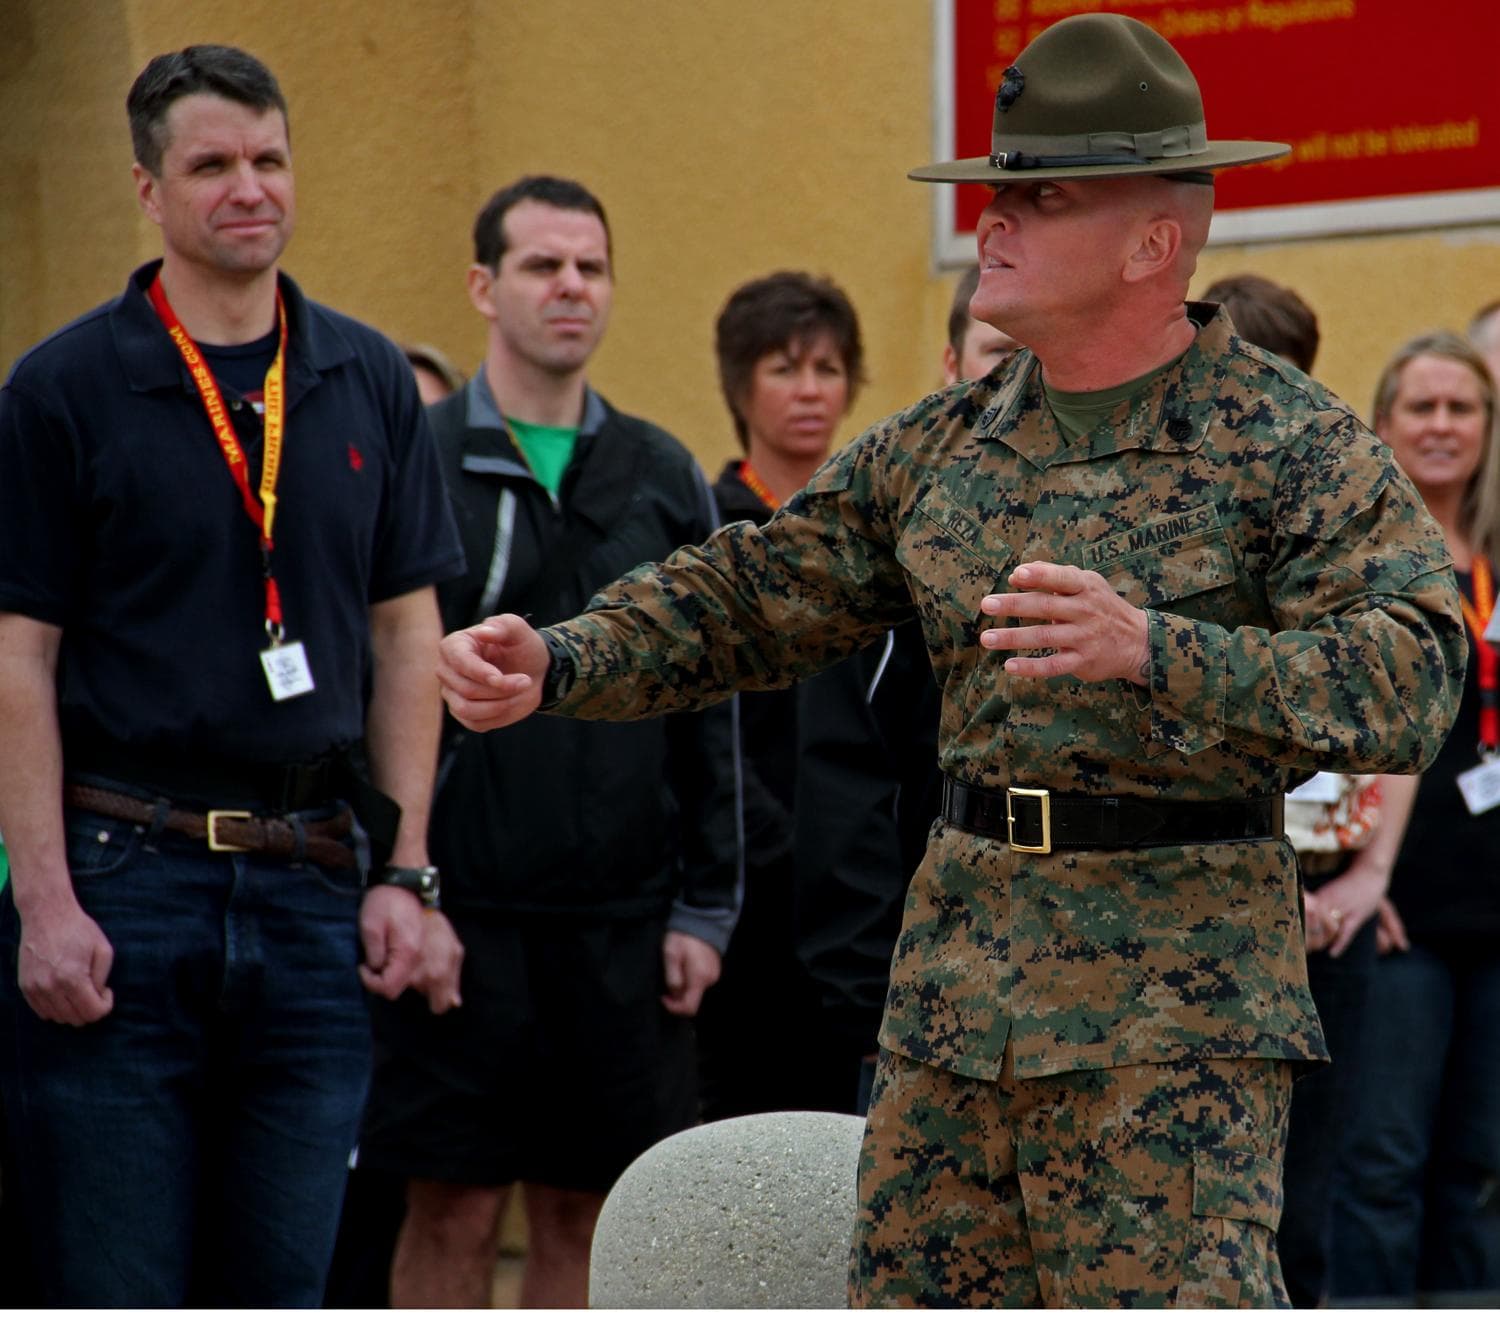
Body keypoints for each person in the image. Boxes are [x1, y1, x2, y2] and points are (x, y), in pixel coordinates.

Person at [435, 13, 1467, 1308]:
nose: (993, 224)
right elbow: (763, 588)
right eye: (992, 194)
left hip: (1172, 1024)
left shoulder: (1283, 442)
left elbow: (1418, 671)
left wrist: (1161, 650)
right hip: (956, 1001)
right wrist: (562, 654)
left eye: (1038, 199)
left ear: (1153, 241)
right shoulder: (949, 441)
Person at [0, 44, 464, 1308]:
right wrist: (43, 901)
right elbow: (16, 660)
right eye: (211, 164)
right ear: (149, 190)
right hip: (122, 886)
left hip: (313, 885)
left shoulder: (366, 375)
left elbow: (407, 636)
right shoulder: (61, 391)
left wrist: (407, 870)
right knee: (120, 1278)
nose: (247, 188)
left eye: (269, 158)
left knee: (282, 1280)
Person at [354, 175, 742, 1309]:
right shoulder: (412, 456)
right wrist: (400, 881)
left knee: (591, 1207)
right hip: (456, 913)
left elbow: (706, 697)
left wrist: (705, 908)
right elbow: (377, 677)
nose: (571, 286)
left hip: (624, 923)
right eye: (542, 264)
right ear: (483, 286)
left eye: (592, 266)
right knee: (453, 1205)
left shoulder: (665, 474)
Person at [792, 263, 1019, 1115]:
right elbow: (843, 792)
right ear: (950, 363)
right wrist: (864, 999)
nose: (1013, 375)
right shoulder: (889, 544)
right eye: (995, 352)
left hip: (1077, 1006)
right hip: (913, 1012)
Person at [1198, 271, 1382, 1307]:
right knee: (1214, 1204)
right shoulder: (1170, 519)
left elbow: (1392, 717)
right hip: (1210, 898)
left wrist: (1368, 875)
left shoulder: (1344, 513)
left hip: (1326, 897)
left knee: (1309, 1195)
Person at [1328, 331, 1500, 1305]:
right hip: (1397, 913)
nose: (1442, 427)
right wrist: (1359, 870)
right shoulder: (1359, 560)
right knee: (1381, 1166)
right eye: (1422, 408)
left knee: (1478, 1171)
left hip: (1496, 906)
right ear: (1383, 423)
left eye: (1462, 407)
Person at [697, 270, 866, 1119]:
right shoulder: (714, 529)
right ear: (739, 385)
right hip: (747, 897)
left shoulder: (866, 534)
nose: (809, 391)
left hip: (852, 891)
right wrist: (779, 844)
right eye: (784, 368)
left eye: (828, 369)